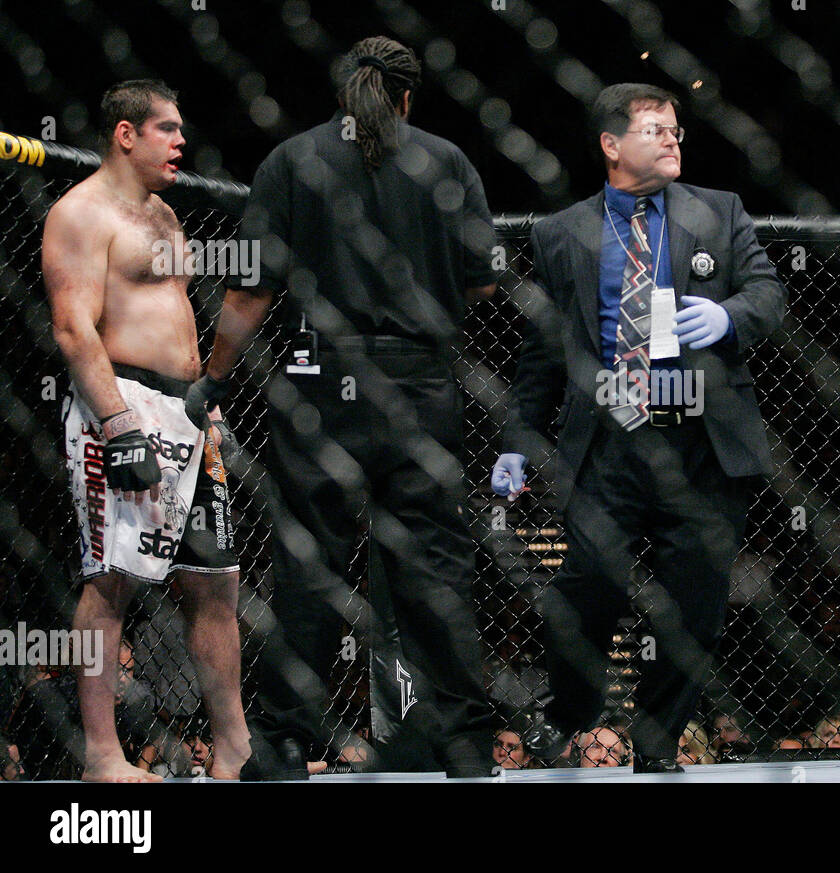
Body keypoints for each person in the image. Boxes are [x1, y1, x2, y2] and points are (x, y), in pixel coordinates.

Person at [197, 37, 498, 778]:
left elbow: (249, 291)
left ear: (343, 92)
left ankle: (287, 740)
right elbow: (486, 281)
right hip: (418, 381)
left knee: (308, 565)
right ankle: (464, 739)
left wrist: (213, 377)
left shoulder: (293, 160)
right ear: (407, 96)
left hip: (321, 377)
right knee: (434, 564)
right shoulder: (446, 160)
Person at [494, 83, 786, 773]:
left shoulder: (720, 212)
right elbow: (543, 349)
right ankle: (569, 712)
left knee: (694, 612)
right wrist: (516, 442)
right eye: (655, 129)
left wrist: (729, 318)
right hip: (609, 440)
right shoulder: (560, 231)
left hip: (699, 440)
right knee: (586, 589)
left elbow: (768, 292)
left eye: (676, 130)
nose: (672, 139)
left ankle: (657, 746)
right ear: (611, 144)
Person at [43, 79, 251, 782]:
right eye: (167, 129)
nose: (181, 142)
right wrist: (119, 422)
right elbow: (74, 328)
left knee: (216, 581)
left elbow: (178, 316)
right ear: (125, 134)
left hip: (188, 412)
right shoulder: (80, 213)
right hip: (122, 405)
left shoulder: (163, 214)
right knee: (111, 579)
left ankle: (235, 749)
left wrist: (203, 400)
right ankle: (103, 755)